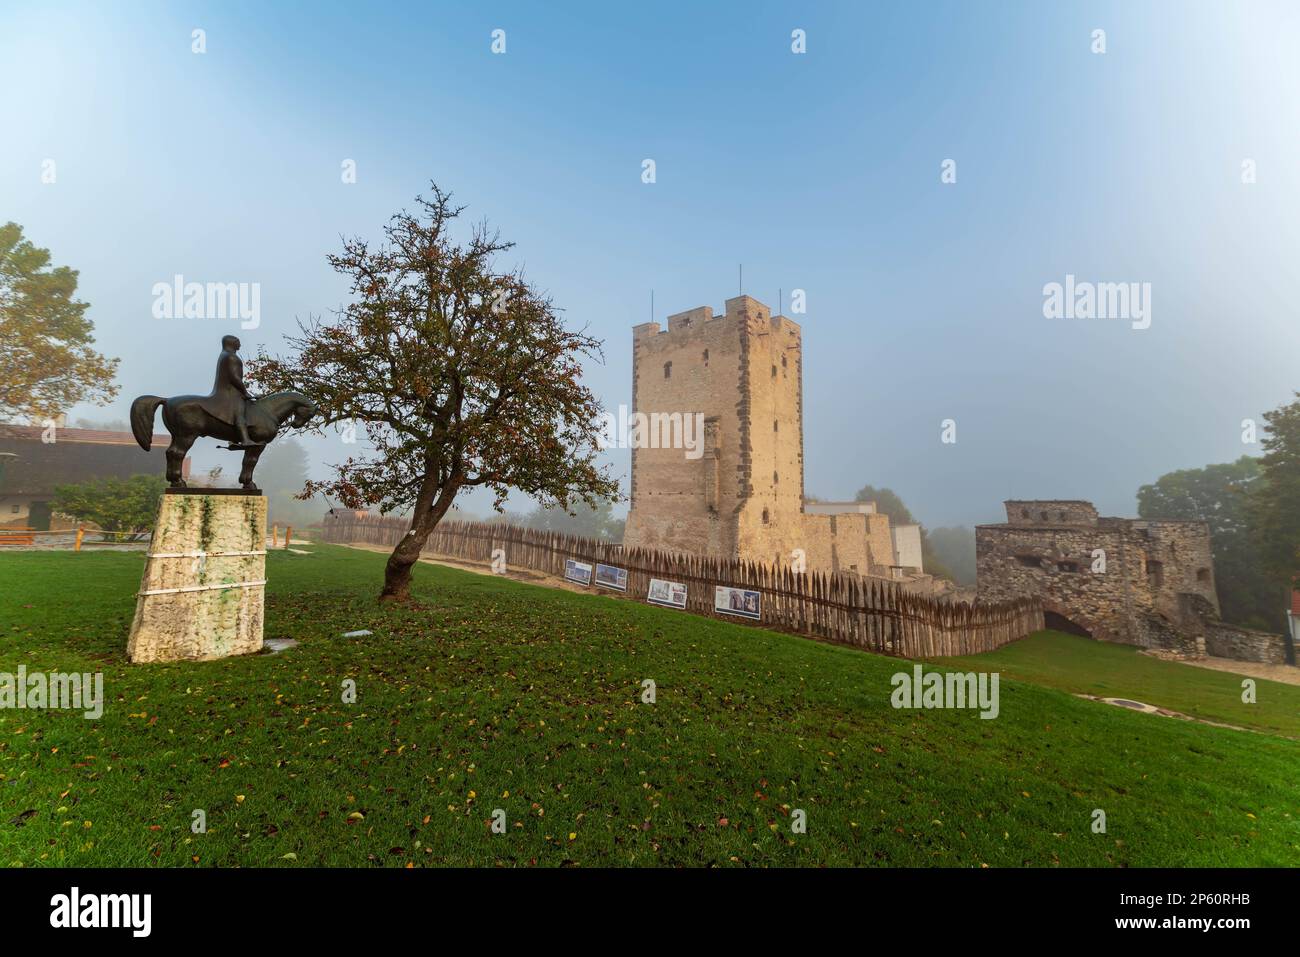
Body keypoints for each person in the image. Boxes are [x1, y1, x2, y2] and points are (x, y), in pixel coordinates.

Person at [197, 335, 260, 446]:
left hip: (225, 391)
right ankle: (245, 440)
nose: (240, 344)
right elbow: (235, 378)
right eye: (238, 342)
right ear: (231, 343)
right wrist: (245, 392)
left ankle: (233, 440)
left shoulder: (224, 355)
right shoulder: (232, 357)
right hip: (230, 393)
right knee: (239, 414)